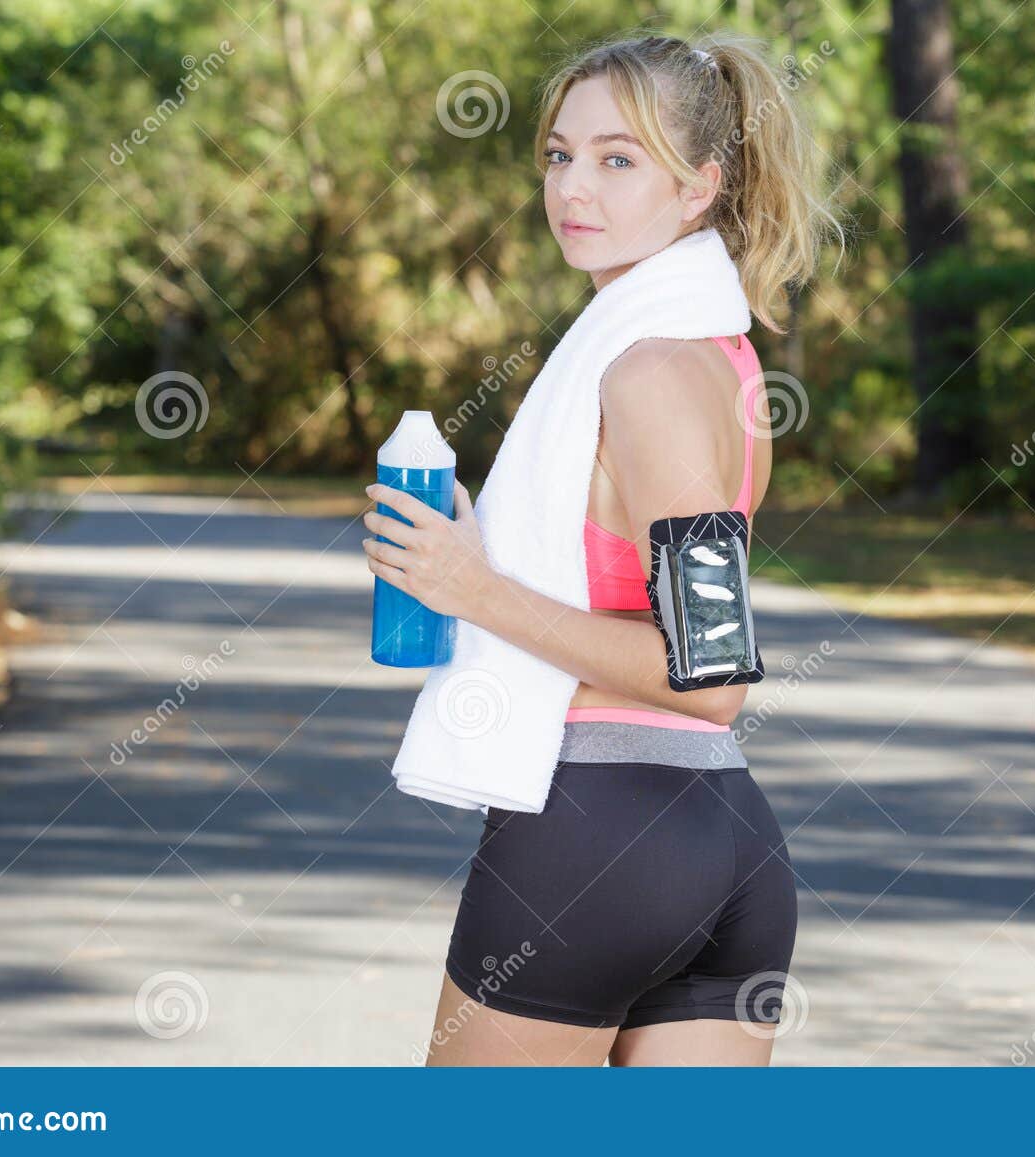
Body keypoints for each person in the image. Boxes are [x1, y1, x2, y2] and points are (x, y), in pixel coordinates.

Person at [361, 31, 845, 1065]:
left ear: (700, 189)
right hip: (724, 848)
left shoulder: (646, 373)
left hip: (599, 835)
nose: (574, 186)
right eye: (558, 154)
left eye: (619, 159)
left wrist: (473, 586)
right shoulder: (723, 359)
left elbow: (709, 672)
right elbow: (634, 574)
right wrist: (474, 544)